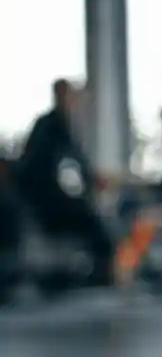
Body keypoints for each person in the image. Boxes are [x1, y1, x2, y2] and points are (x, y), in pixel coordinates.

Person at [14, 79, 115, 286]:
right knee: (96, 227)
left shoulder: (55, 124)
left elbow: (76, 161)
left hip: (45, 198)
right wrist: (88, 181)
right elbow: (72, 161)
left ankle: (101, 272)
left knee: (94, 221)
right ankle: (103, 275)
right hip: (44, 201)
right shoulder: (53, 125)